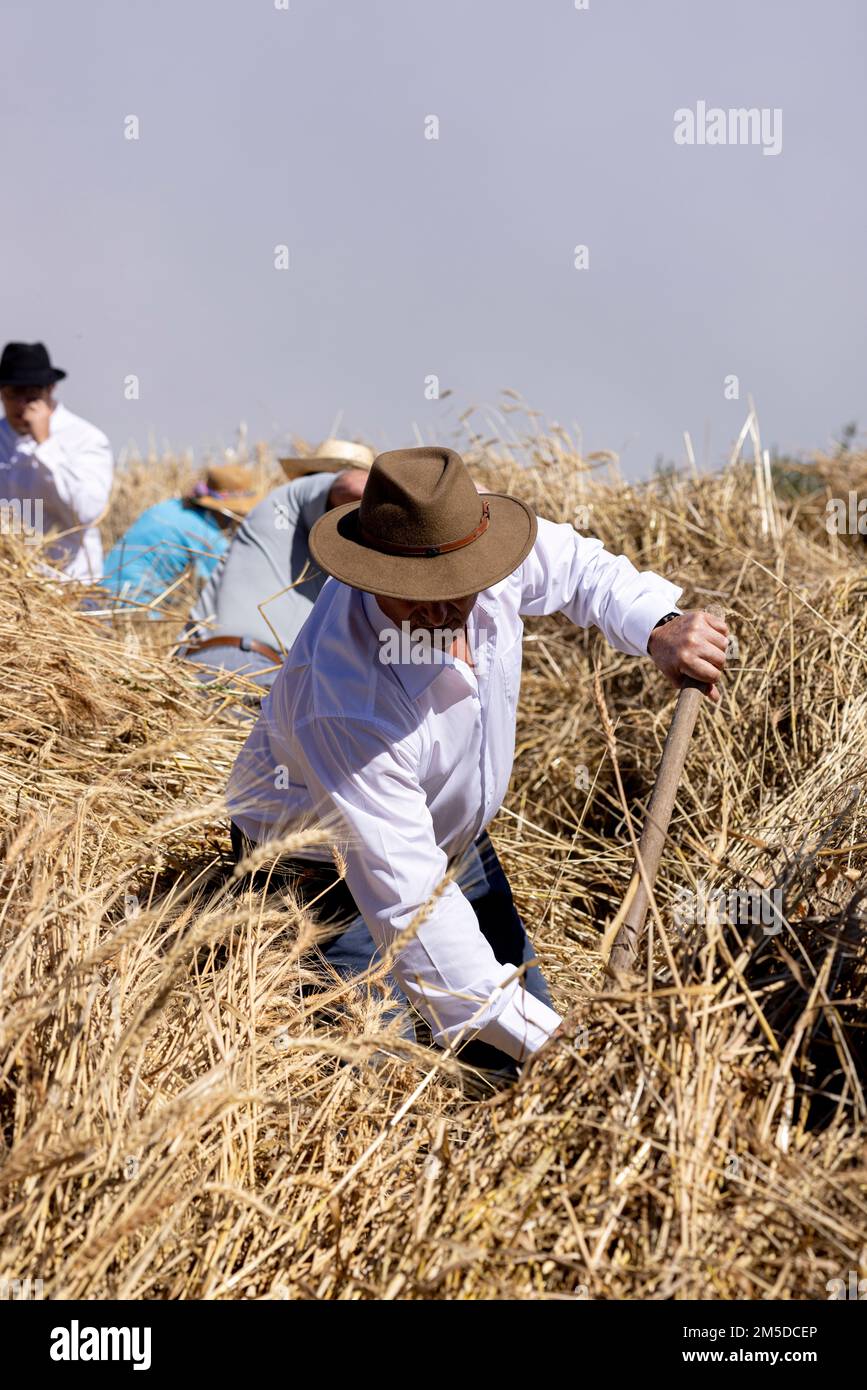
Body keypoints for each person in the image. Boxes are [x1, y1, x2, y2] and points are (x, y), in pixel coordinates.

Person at [225, 446, 728, 1078]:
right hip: (320, 871)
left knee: (516, 1063)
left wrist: (659, 624)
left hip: (451, 840)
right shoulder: (346, 702)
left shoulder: (478, 542)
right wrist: (578, 1056)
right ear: (369, 572)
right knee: (380, 1073)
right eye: (412, 595)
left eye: (454, 589)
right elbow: (416, 918)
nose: (438, 611)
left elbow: (580, 568)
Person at [180, 439, 372, 685]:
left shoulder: (323, 548)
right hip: (244, 666)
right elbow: (353, 485)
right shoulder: (303, 491)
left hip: (209, 667)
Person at [0, 341, 114, 581]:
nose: (22, 406)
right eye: (13, 394)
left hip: (69, 589)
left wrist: (45, 445)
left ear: (50, 389)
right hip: (10, 589)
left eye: (31, 395)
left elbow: (86, 511)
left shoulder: (85, 439)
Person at [102, 464, 266, 615]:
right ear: (228, 511)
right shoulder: (207, 535)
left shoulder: (171, 506)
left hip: (102, 593)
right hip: (133, 608)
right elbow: (230, 585)